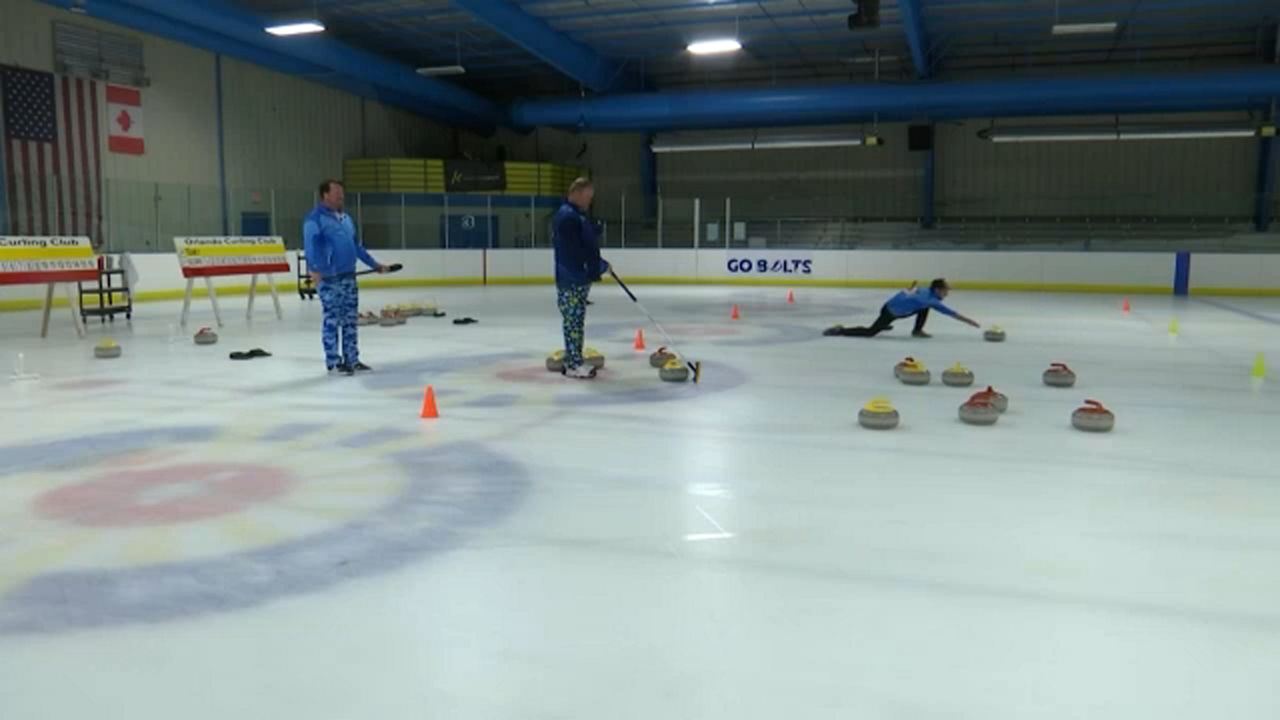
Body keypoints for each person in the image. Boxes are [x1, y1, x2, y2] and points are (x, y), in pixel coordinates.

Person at [304, 179, 386, 375]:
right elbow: (310, 244)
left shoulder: (346, 219)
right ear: (325, 195)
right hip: (329, 278)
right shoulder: (315, 219)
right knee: (332, 319)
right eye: (337, 192)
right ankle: (333, 361)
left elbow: (356, 247)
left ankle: (352, 359)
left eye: (342, 192)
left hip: (349, 277)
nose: (341, 196)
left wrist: (374, 265)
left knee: (350, 319)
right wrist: (314, 268)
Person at [553, 178, 609, 379]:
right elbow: (575, 250)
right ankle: (573, 364)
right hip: (572, 277)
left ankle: (575, 359)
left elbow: (584, 241)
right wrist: (596, 265)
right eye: (587, 197)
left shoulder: (576, 215)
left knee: (576, 321)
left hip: (579, 276)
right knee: (573, 322)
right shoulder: (568, 217)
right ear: (576, 193)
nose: (589, 201)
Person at [824, 278, 980, 337]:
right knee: (870, 332)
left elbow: (906, 292)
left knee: (923, 308)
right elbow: (953, 314)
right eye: (946, 290)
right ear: (938, 290)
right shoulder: (929, 300)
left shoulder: (926, 292)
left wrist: (908, 292)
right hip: (890, 313)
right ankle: (840, 330)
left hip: (890, 306)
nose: (947, 293)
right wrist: (971, 322)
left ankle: (916, 330)